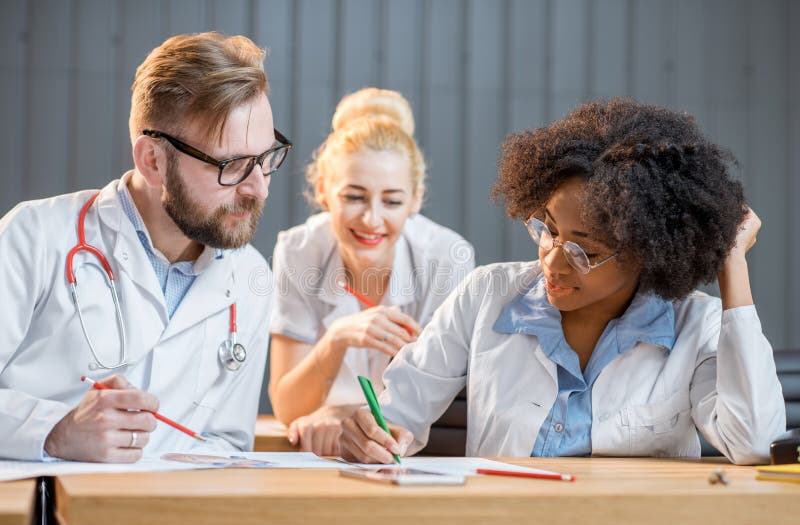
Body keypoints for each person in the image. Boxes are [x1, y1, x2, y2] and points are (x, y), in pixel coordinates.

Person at [339, 98, 786, 465]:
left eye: (585, 251)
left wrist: (731, 265)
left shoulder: (695, 326)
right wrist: (373, 433)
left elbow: (752, 443)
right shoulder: (485, 295)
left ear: (647, 250)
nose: (553, 261)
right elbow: (397, 415)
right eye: (548, 230)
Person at [0, 32, 291, 462]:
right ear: (152, 160)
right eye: (232, 165)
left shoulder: (250, 279)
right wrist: (53, 433)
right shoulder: (35, 236)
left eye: (266, 158)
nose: (259, 189)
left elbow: (226, 445)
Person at [268, 88, 475, 456]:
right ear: (323, 191)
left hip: (419, 457)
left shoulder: (447, 257)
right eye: (354, 197)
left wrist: (346, 414)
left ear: (415, 200)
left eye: (392, 201)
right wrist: (337, 338)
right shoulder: (298, 251)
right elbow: (288, 407)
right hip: (324, 456)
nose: (372, 219)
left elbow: (438, 407)